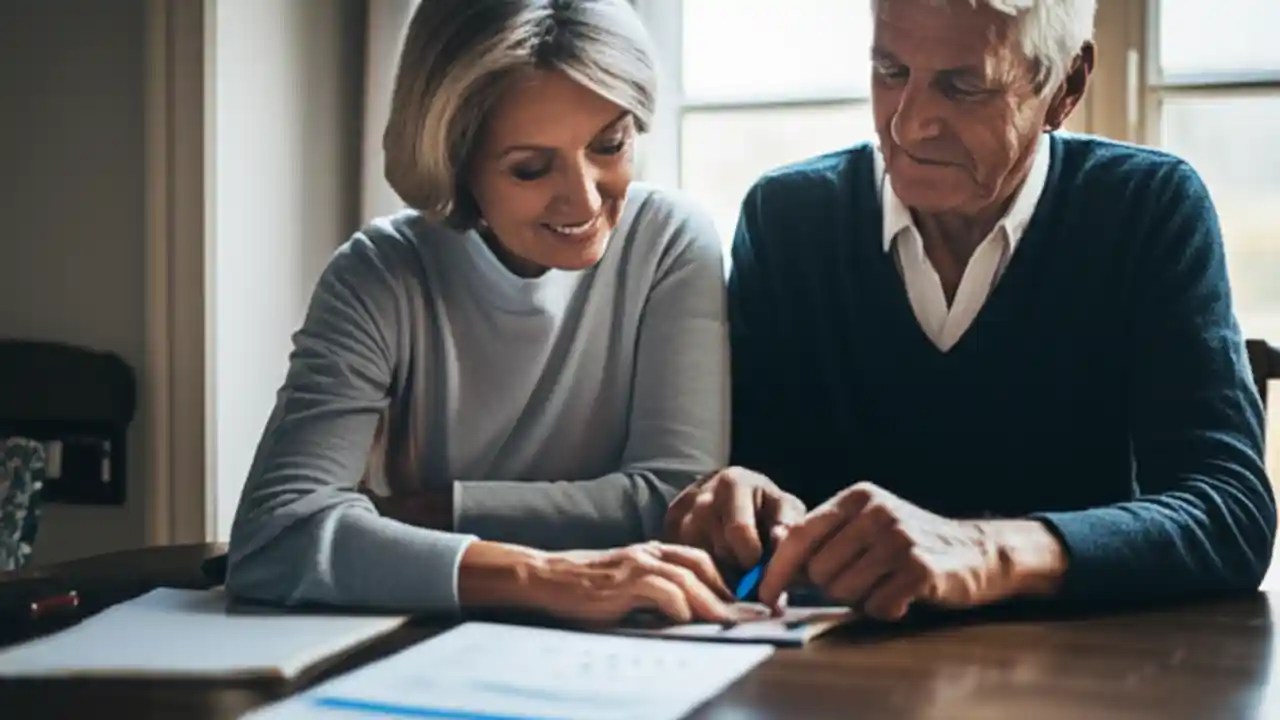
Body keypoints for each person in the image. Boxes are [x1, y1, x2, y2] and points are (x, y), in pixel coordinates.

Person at [665, 0, 1276, 621]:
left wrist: (988, 551)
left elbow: (1231, 512)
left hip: (1077, 684)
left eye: (963, 87)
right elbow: (762, 479)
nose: (908, 125)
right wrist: (740, 496)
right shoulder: (786, 218)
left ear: (1065, 86)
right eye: (890, 71)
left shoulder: (1146, 208)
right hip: (833, 676)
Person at [226, 0, 736, 626]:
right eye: (529, 167)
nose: (583, 198)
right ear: (456, 160)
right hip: (424, 637)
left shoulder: (670, 241)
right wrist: (545, 574)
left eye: (610, 143)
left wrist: (426, 514)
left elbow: (675, 499)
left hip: (636, 633)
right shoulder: (380, 272)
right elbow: (275, 535)